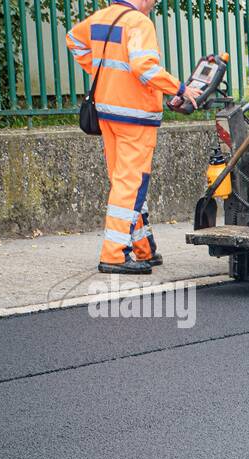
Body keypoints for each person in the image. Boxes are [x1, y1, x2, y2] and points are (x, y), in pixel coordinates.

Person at [66, 0, 200, 275]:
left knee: (123, 182)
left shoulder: (101, 18)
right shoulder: (139, 23)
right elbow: (144, 68)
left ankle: (143, 249)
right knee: (130, 184)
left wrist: (104, 74)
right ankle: (114, 254)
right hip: (134, 116)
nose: (155, 4)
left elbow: (74, 41)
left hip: (107, 112)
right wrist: (180, 88)